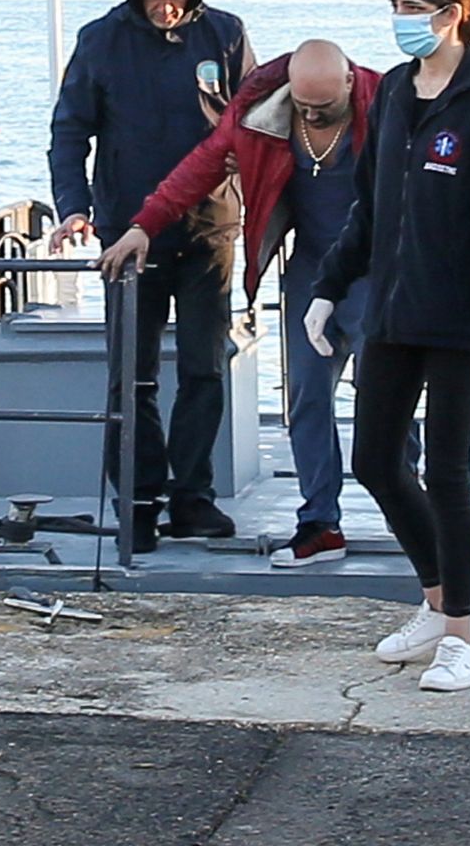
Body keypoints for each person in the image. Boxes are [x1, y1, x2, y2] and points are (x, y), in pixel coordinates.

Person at [304, 0, 470, 692]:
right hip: (395, 311)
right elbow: (371, 206)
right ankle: (440, 604)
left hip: (463, 320)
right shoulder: (400, 94)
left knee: (446, 472)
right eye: (394, 8)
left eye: (412, 8)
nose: (401, 22)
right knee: (375, 460)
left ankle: (461, 638)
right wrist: (329, 285)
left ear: (451, 11)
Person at [99, 39, 398, 567]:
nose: (311, 114)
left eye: (323, 107)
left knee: (387, 401)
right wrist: (144, 225)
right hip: (310, 273)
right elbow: (200, 167)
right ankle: (320, 524)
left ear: (351, 82)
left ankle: (409, 513)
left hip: (380, 274)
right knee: (306, 399)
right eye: (303, 105)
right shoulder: (262, 115)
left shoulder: (389, 104)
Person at [48, 0, 256, 551]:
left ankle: (193, 499)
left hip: (210, 230)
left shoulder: (225, 33)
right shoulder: (101, 40)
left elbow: (252, 124)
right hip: (126, 233)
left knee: (204, 370)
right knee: (131, 378)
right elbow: (69, 130)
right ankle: (138, 503)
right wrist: (74, 207)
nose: (166, 6)